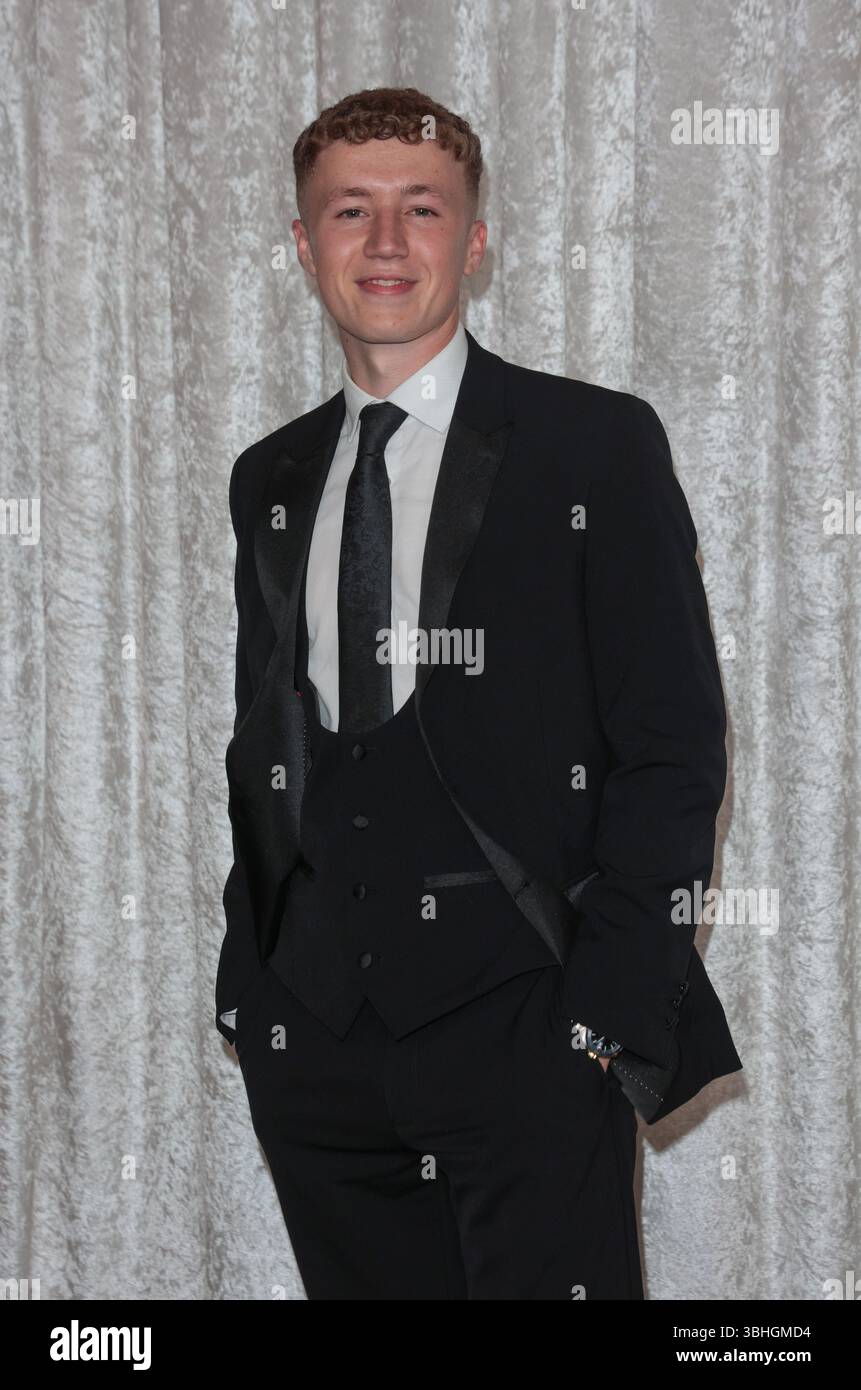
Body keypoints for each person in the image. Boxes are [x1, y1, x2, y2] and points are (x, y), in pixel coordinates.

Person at [214, 86, 742, 1300]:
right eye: (351, 210)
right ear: (305, 244)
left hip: (534, 1031)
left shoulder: (593, 447)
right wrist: (251, 985)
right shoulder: (270, 477)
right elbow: (266, 741)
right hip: (321, 1048)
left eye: (423, 209)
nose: (387, 243)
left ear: (476, 238)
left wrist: (605, 1018)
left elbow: (673, 747)